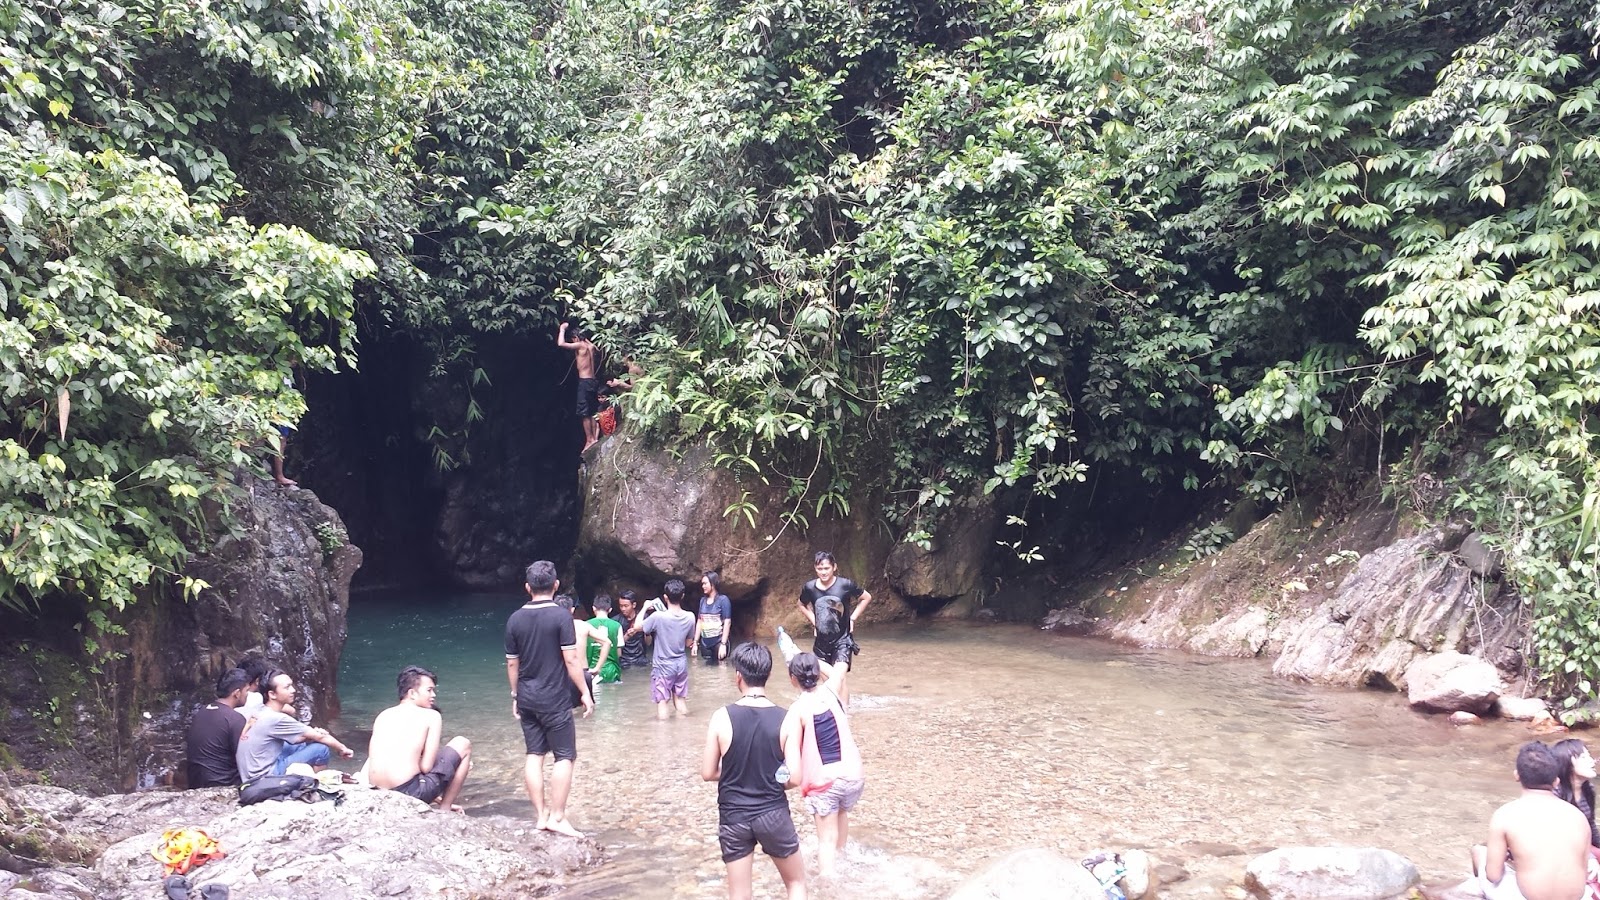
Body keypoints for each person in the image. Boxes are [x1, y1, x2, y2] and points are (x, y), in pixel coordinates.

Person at [700, 642, 806, 900]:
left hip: (734, 816)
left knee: (740, 895)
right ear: (768, 675)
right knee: (796, 884)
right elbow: (795, 777)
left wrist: (738, 772)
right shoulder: (787, 718)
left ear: (738, 677)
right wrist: (771, 778)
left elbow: (708, 772)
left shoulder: (721, 717)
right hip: (772, 814)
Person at [505, 561, 594, 837]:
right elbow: (571, 659)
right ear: (555, 586)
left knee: (534, 754)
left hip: (528, 697)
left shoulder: (514, 619)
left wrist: (515, 695)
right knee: (564, 756)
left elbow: (512, 664)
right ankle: (557, 816)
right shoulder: (561, 617)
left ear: (527, 587)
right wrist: (585, 692)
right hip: (554, 698)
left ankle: (540, 815)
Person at [781, 652, 865, 877]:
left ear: (792, 679)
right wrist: (815, 662)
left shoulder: (797, 710)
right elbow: (839, 670)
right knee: (840, 813)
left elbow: (785, 745)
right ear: (817, 674)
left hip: (825, 783)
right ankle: (843, 860)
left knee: (825, 840)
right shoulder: (832, 692)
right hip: (853, 777)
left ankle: (828, 885)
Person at [1474, 741, 1591, 900]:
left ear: (1517, 775)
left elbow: (1493, 876)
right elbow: (1582, 870)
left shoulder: (1505, 814)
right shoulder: (1578, 816)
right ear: (1556, 781)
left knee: (1479, 851)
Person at [364, 665, 473, 812]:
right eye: (429, 690)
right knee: (462, 743)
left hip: (378, 793)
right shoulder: (431, 716)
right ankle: (445, 809)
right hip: (410, 792)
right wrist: (451, 766)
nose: (433, 695)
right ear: (412, 693)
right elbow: (426, 767)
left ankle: (440, 803)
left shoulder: (384, 715)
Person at [235, 669, 354, 783]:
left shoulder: (259, 710)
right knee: (321, 750)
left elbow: (302, 736)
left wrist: (311, 735)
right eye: (287, 687)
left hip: (250, 774)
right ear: (272, 694)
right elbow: (321, 738)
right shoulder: (276, 718)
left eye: (291, 685)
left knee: (300, 744)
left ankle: (303, 778)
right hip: (265, 777)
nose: (293, 690)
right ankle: (313, 785)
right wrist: (342, 748)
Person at [796, 551, 873, 706]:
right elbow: (800, 604)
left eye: (826, 568)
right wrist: (815, 621)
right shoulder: (809, 588)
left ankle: (843, 713)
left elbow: (866, 597)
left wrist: (853, 618)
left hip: (843, 640)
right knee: (829, 683)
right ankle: (835, 711)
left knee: (837, 677)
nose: (823, 572)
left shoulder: (845, 585)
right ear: (815, 569)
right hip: (821, 644)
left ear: (834, 567)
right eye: (820, 569)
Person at [628, 578, 696, 719]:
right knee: (680, 699)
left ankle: (664, 736)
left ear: (665, 597)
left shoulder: (658, 616)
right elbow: (688, 643)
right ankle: (685, 730)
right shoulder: (690, 617)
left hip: (663, 665)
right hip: (681, 664)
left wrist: (645, 607)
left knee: (663, 701)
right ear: (682, 596)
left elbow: (636, 626)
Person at [186, 669, 250, 788]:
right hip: (222, 784)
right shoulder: (235, 719)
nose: (247, 695)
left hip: (195, 783)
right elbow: (244, 758)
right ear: (237, 693)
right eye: (246, 691)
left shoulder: (201, 711)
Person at [556, 594, 611, 704]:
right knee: (587, 710)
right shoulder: (582, 625)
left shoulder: (550, 627)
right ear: (572, 610)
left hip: (561, 675)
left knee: (564, 712)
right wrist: (597, 667)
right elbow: (607, 642)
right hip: (582, 674)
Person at [557, 322, 601, 453]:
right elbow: (596, 349)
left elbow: (561, 344)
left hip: (585, 381)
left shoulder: (580, 345)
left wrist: (562, 330)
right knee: (592, 410)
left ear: (575, 338)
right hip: (593, 381)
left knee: (584, 413)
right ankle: (595, 437)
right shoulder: (591, 346)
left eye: (573, 339)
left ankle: (590, 439)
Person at [696, 571, 733, 665]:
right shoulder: (702, 601)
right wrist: (695, 643)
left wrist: (723, 644)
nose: (703, 586)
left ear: (713, 583)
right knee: (707, 670)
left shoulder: (723, 600)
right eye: (702, 584)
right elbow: (699, 622)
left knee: (721, 670)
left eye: (705, 583)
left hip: (718, 642)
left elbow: (727, 622)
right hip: (705, 643)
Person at [587, 595, 624, 684]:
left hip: (591, 671)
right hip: (611, 671)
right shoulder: (617, 625)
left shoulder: (586, 625)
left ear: (593, 608)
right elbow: (619, 653)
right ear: (610, 610)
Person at [616, 590, 650, 672]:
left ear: (633, 605)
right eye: (621, 606)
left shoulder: (644, 617)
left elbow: (648, 643)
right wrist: (627, 635)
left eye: (626, 606)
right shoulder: (616, 621)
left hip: (640, 658)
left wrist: (647, 632)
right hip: (624, 660)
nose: (623, 609)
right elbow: (614, 647)